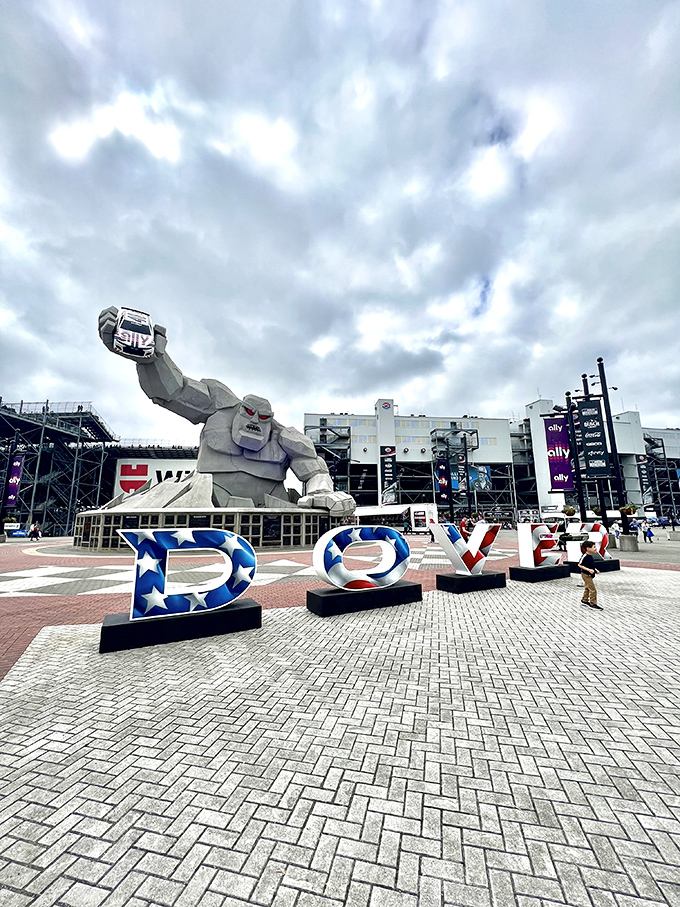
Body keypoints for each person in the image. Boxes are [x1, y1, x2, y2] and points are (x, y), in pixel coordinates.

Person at [579, 541, 602, 610]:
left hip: (589, 574)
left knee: (587, 588)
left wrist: (595, 569)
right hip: (586, 575)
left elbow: (590, 565)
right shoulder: (585, 556)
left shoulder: (590, 556)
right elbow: (580, 565)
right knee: (593, 590)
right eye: (594, 547)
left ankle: (584, 600)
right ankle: (593, 604)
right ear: (588, 548)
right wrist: (589, 570)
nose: (595, 548)